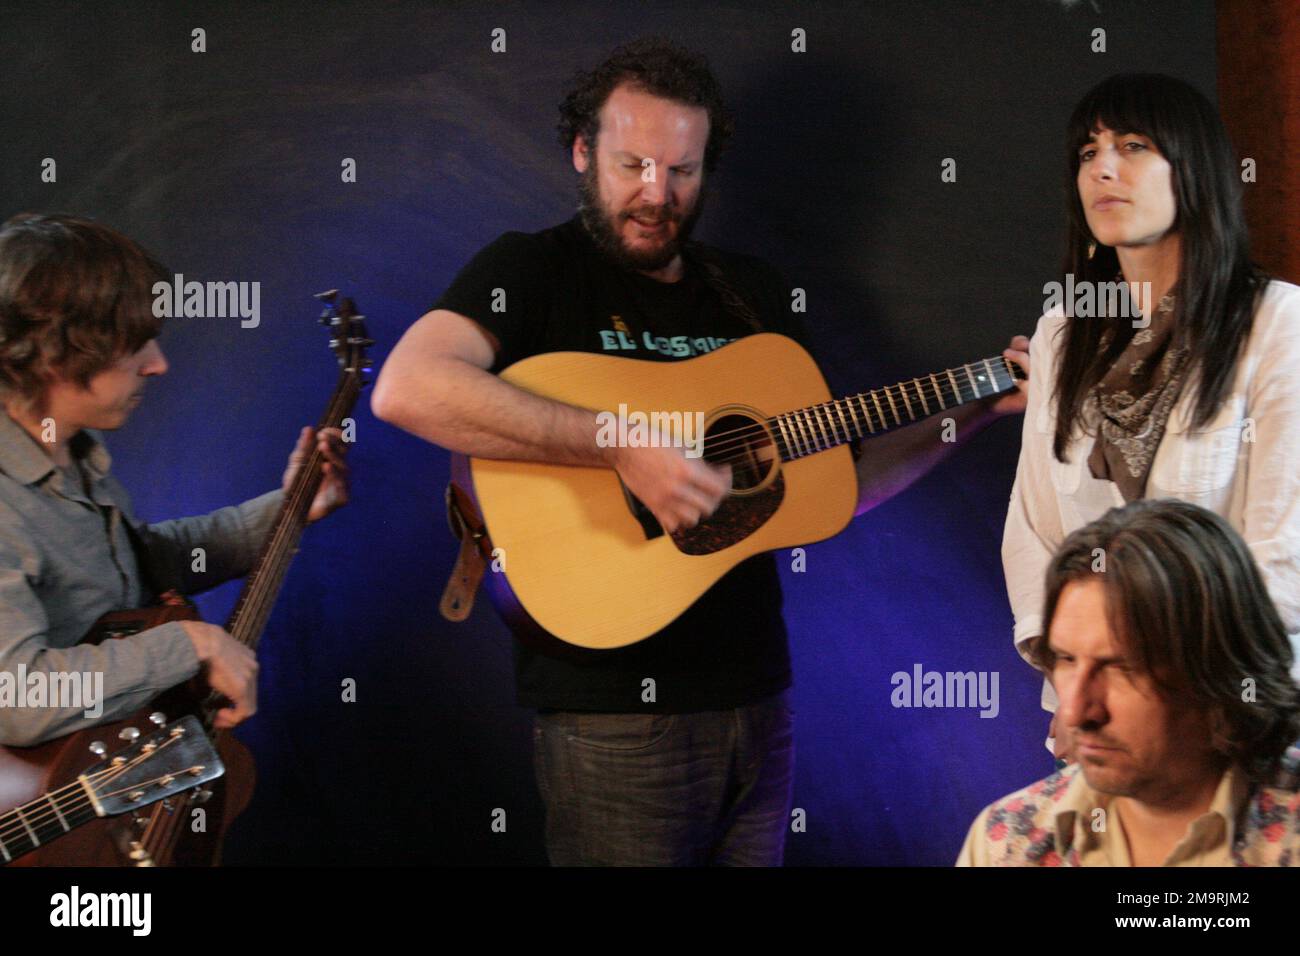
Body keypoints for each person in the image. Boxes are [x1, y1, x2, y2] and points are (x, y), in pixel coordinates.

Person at [373, 37, 1028, 866]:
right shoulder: (530, 271)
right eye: (633, 165)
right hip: (615, 722)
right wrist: (618, 444)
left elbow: (840, 481)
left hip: (759, 705)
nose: (658, 194)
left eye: (682, 170)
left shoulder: (750, 296)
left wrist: (973, 409)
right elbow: (409, 387)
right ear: (582, 152)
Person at [1001, 73, 1300, 761]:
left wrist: (1147, 684)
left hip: (1237, 714)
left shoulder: (1278, 324)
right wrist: (1076, 680)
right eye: (1087, 152)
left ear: (1195, 169)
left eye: (1133, 145)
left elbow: (1284, 555)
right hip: (1094, 722)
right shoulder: (1060, 335)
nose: (1102, 168)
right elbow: (1033, 532)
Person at [0, 212, 350, 747]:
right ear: (54, 353)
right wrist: (191, 645)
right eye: (135, 343)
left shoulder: (73, 454)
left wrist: (293, 506)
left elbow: (142, 565)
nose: (158, 364)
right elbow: (19, 698)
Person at [961, 499, 1300, 866]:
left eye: (1121, 667)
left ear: (1218, 668)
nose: (1075, 713)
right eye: (1066, 659)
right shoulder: (1007, 843)